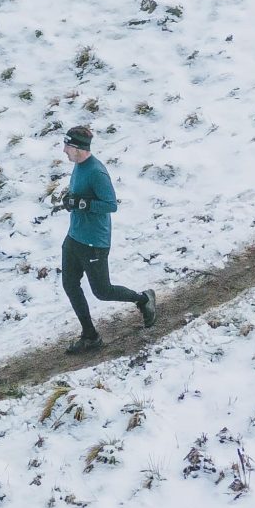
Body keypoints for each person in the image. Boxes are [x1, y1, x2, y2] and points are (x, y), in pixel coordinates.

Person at [57, 126, 155, 355]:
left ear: (78, 148)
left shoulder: (96, 172)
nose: (64, 151)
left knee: (102, 291)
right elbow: (81, 196)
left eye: (67, 146)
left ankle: (143, 299)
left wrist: (82, 204)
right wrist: (70, 200)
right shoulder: (78, 166)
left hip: (94, 243)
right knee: (70, 284)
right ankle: (90, 335)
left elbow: (110, 205)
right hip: (74, 237)